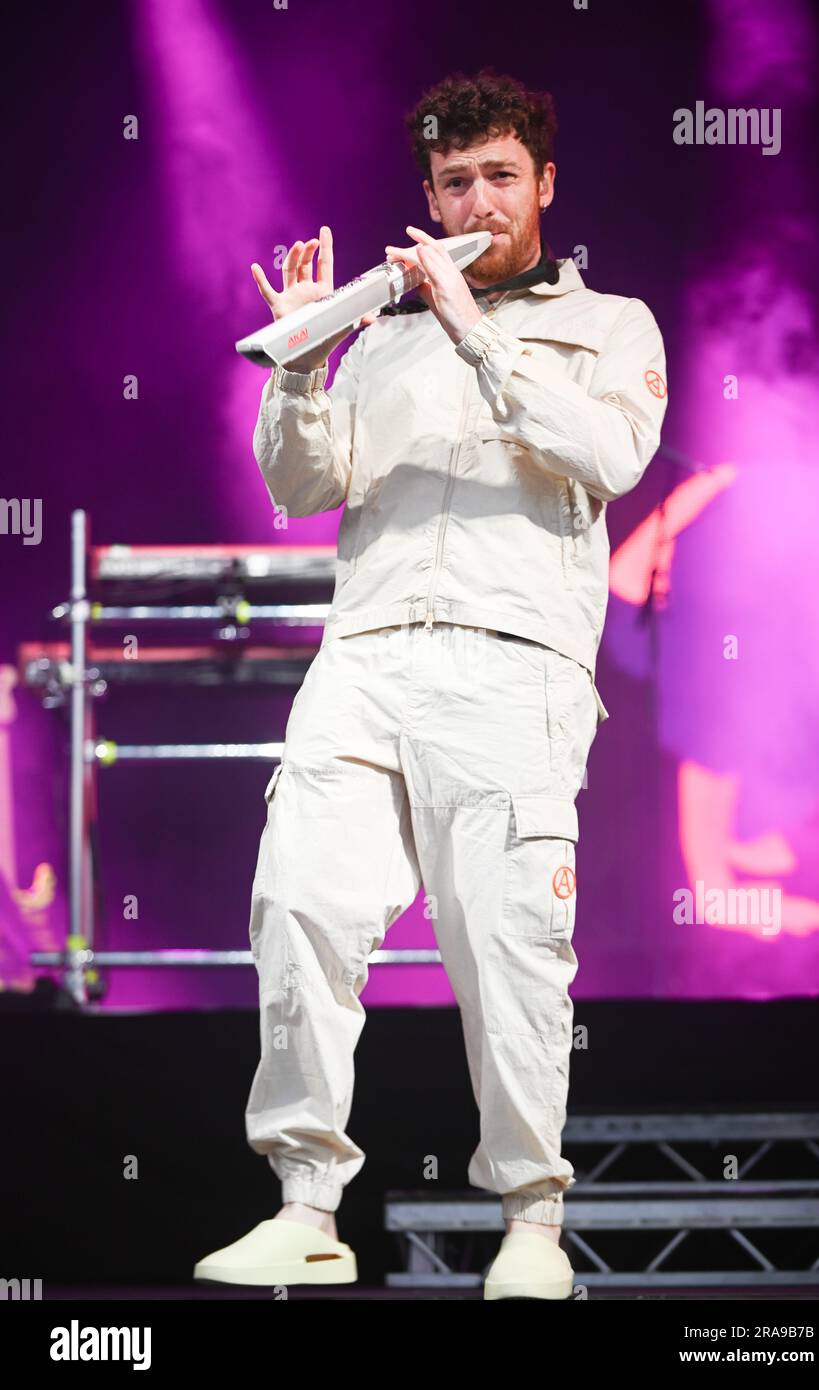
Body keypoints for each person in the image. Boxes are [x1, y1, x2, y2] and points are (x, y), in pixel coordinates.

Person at [194, 67, 667, 1299]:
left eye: (499, 176)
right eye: (454, 180)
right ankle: (306, 1204)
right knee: (296, 899)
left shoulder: (612, 326)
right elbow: (301, 487)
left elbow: (609, 451)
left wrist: (476, 329)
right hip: (364, 654)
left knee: (508, 950)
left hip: (513, 666)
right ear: (429, 189)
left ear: (544, 184)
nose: (476, 199)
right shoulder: (379, 337)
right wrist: (302, 361)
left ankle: (529, 1222)